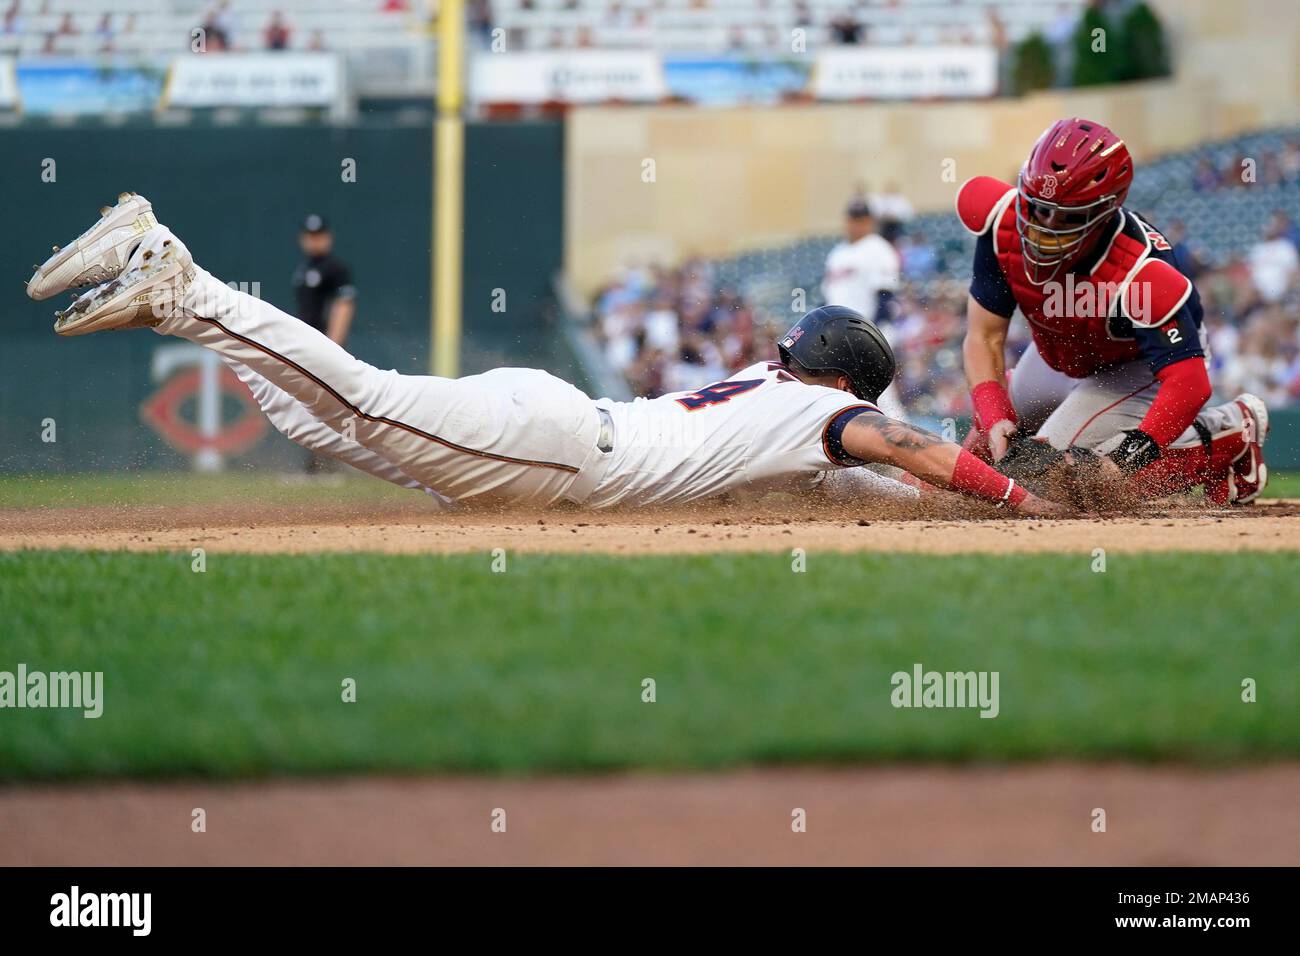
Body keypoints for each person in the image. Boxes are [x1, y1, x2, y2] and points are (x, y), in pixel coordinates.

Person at [28, 193, 1065, 516]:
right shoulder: (824, 419)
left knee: (323, 420)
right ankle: (179, 284)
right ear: (845, 382)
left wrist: (983, 473)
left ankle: (178, 297)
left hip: (552, 422)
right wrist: (1021, 499)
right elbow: (908, 452)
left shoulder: (778, 396)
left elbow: (896, 486)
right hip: (565, 451)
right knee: (364, 398)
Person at [957, 117, 1269, 506]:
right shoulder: (999, 222)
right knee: (972, 463)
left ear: (1104, 214)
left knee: (1058, 486)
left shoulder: (1142, 270)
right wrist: (994, 413)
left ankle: (1228, 435)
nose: (1043, 228)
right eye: (1036, 209)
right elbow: (983, 336)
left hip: (1138, 367)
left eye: (1066, 217)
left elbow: (1189, 382)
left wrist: (1125, 458)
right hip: (1061, 355)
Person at [822, 197, 907, 418]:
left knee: (880, 394)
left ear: (870, 221)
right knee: (847, 394)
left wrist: (867, 334)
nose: (856, 224)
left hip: (869, 332)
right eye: (852, 219)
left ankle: (902, 440)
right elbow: (828, 299)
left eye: (861, 219)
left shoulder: (878, 249)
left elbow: (885, 298)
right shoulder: (836, 253)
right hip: (841, 337)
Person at [293, 214, 355, 346]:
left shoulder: (335, 268)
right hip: (304, 341)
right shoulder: (303, 267)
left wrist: (333, 345)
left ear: (328, 237)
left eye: (318, 236)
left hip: (323, 342)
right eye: (310, 236)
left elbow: (344, 306)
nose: (314, 240)